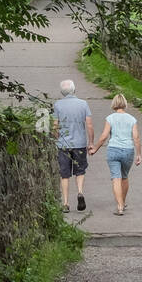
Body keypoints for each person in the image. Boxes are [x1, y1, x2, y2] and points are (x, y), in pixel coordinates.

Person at [88, 94, 141, 216]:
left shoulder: (110, 118)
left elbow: (104, 136)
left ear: (114, 104)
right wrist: (139, 154)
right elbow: (136, 137)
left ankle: (120, 206)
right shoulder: (132, 119)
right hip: (128, 150)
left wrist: (95, 148)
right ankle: (123, 201)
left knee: (115, 178)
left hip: (113, 150)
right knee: (124, 176)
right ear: (125, 104)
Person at [51, 79, 94, 212]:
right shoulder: (83, 104)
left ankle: (65, 203)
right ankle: (80, 192)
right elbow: (89, 124)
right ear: (74, 89)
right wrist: (91, 142)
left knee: (64, 174)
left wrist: (57, 138)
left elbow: (55, 126)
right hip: (79, 143)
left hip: (63, 144)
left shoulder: (57, 105)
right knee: (80, 171)